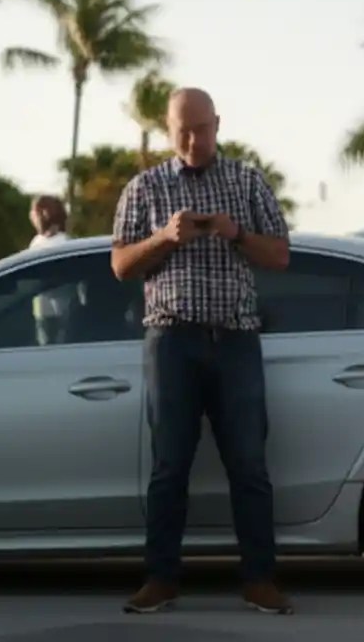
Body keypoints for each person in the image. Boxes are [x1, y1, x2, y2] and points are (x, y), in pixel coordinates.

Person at [110, 87, 293, 615]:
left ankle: (260, 579)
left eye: (203, 128)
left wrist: (234, 232)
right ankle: (161, 579)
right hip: (172, 341)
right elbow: (120, 265)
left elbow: (280, 255)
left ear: (219, 124)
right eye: (182, 130)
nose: (194, 140)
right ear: (169, 130)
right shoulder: (144, 187)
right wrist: (167, 237)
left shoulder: (247, 180)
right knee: (169, 466)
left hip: (236, 339)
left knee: (250, 465)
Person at [28, 195, 71, 345]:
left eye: (33, 212)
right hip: (41, 309)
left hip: (59, 310)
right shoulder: (37, 242)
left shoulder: (62, 243)